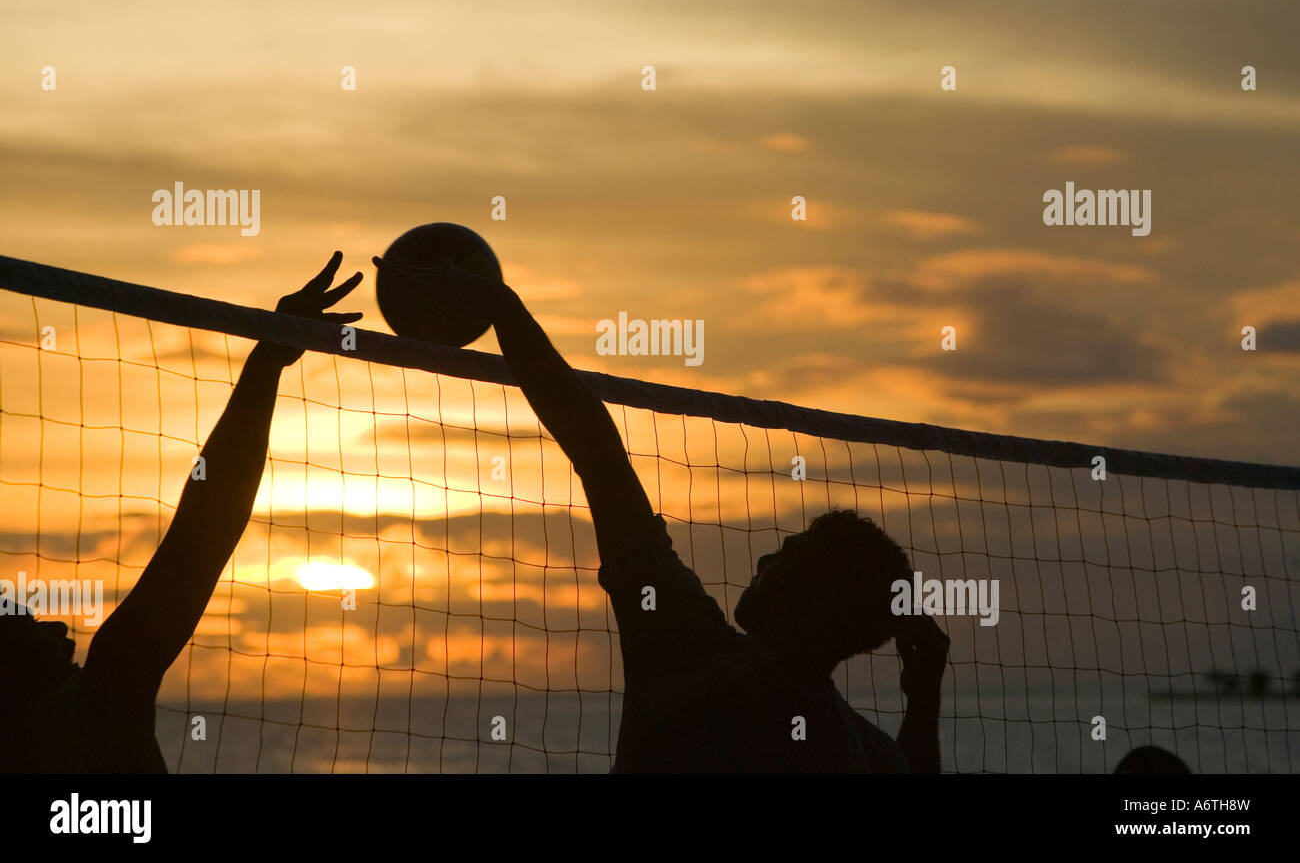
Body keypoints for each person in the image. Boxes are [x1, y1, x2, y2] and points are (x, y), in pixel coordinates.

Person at [375, 256, 950, 772]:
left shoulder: (686, 648)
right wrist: (923, 697)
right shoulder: (857, 748)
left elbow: (599, 456)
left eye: (788, 555)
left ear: (814, 598)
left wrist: (503, 307)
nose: (766, 554)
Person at [0, 253, 362, 772]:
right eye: (27, 623)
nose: (58, 625)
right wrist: (266, 362)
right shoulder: (93, 707)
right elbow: (201, 538)